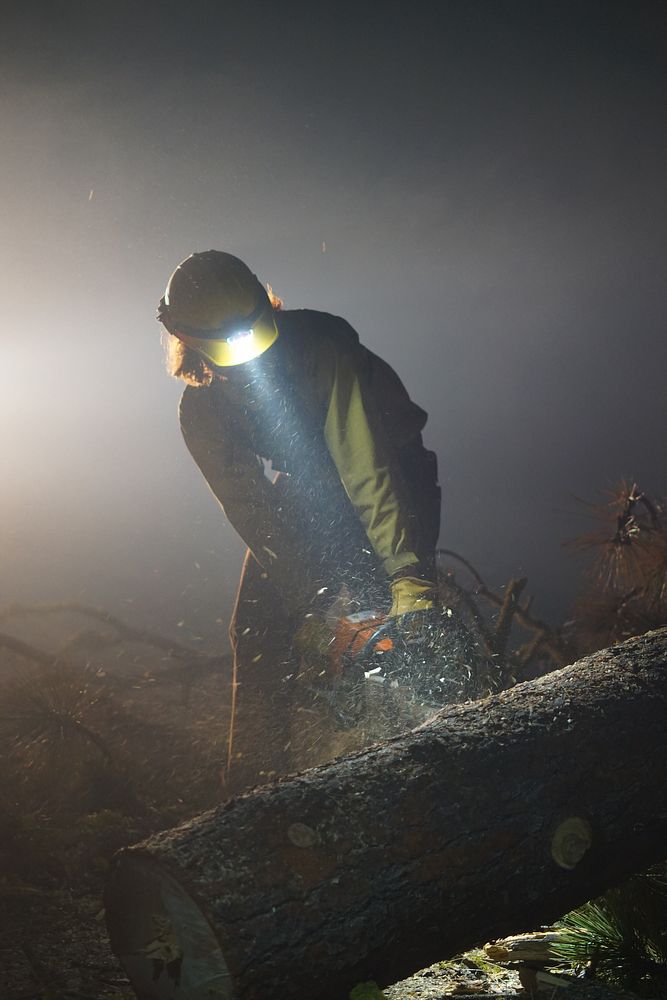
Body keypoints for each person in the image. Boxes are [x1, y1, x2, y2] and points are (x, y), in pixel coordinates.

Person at [157, 250, 441, 793]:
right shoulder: (201, 412)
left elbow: (366, 466)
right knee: (260, 627)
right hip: (307, 486)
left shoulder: (322, 348)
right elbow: (254, 514)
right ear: (187, 337)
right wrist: (309, 602)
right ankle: (251, 791)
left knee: (390, 624)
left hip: (391, 465)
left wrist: (408, 576)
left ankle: (421, 766)